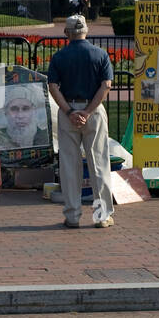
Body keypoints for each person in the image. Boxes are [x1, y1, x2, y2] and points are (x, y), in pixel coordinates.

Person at [47, 15, 114, 229]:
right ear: (86, 31)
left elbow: (53, 87)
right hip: (93, 111)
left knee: (69, 165)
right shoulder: (100, 55)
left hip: (68, 111)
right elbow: (105, 86)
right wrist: (87, 111)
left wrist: (69, 111)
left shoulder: (59, 57)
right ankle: (102, 216)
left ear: (67, 33)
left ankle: (73, 215)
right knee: (99, 163)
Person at [0, 84, 48, 150]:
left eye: (26, 109)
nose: (20, 116)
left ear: (34, 111)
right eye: (14, 109)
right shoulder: (0, 137)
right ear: (6, 113)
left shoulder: (45, 137)